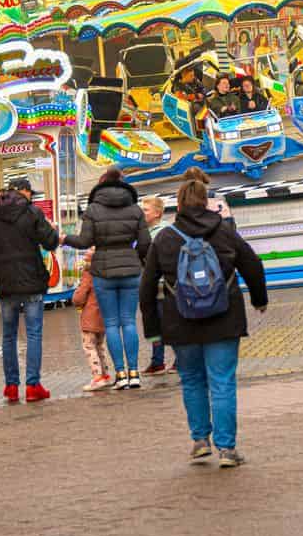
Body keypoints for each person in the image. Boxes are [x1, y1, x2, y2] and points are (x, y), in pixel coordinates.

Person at [140, 175, 269, 468]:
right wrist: (259, 299)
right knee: (222, 383)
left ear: (179, 204)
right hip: (223, 319)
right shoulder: (224, 232)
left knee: (193, 381)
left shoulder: (166, 238)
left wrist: (152, 330)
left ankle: (200, 441)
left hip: (180, 322)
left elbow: (147, 286)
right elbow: (252, 263)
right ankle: (227, 449)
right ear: (206, 200)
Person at [63, 167, 152, 388]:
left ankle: (120, 375)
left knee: (111, 324)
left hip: (103, 272)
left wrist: (65, 238)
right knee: (129, 322)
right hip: (131, 271)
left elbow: (84, 242)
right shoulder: (135, 209)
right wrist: (137, 260)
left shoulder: (93, 209)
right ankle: (134, 373)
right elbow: (144, 244)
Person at [0, 177, 61, 402]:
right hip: (32, 277)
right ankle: (33, 385)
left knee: (8, 335)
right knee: (34, 333)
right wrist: (52, 230)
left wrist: (2, 261)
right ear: (23, 192)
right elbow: (50, 243)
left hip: (6, 281)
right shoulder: (32, 212)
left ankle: (11, 386)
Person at [140, 196, 172, 375]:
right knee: (153, 324)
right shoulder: (144, 232)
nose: (143, 213)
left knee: (167, 323)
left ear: (157, 213)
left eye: (146, 210)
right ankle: (157, 360)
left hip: (163, 285)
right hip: (150, 286)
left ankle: (179, 359)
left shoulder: (164, 231)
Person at [74, 249, 113, 390]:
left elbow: (80, 296)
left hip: (90, 316)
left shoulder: (88, 273)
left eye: (89, 250)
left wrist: (75, 299)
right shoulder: (105, 272)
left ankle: (97, 377)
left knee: (89, 346)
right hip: (103, 315)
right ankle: (106, 375)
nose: (85, 252)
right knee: (100, 346)